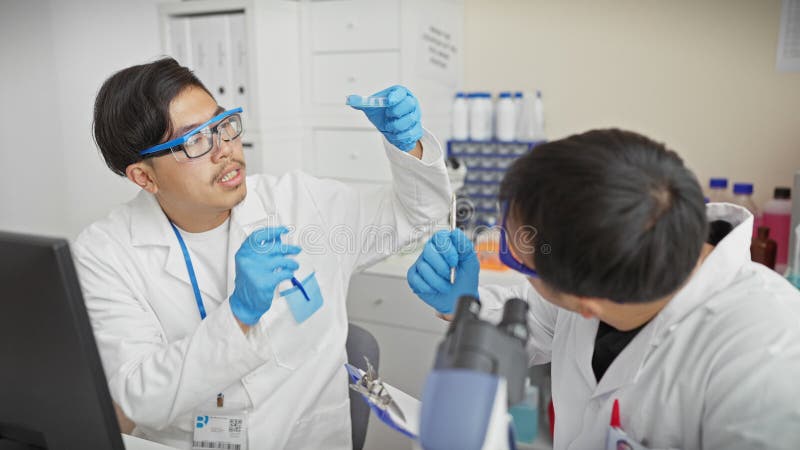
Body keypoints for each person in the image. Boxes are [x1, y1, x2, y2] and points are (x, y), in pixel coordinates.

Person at [73, 57, 450, 449]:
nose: (225, 151)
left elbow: (415, 215)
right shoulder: (105, 254)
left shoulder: (299, 204)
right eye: (195, 141)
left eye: (223, 126)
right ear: (144, 176)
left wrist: (410, 146)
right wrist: (237, 316)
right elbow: (138, 397)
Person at [407, 129, 800, 449]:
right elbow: (533, 320)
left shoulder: (767, 363)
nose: (506, 246)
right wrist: (465, 305)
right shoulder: (619, 258)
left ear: (589, 305)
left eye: (514, 254)